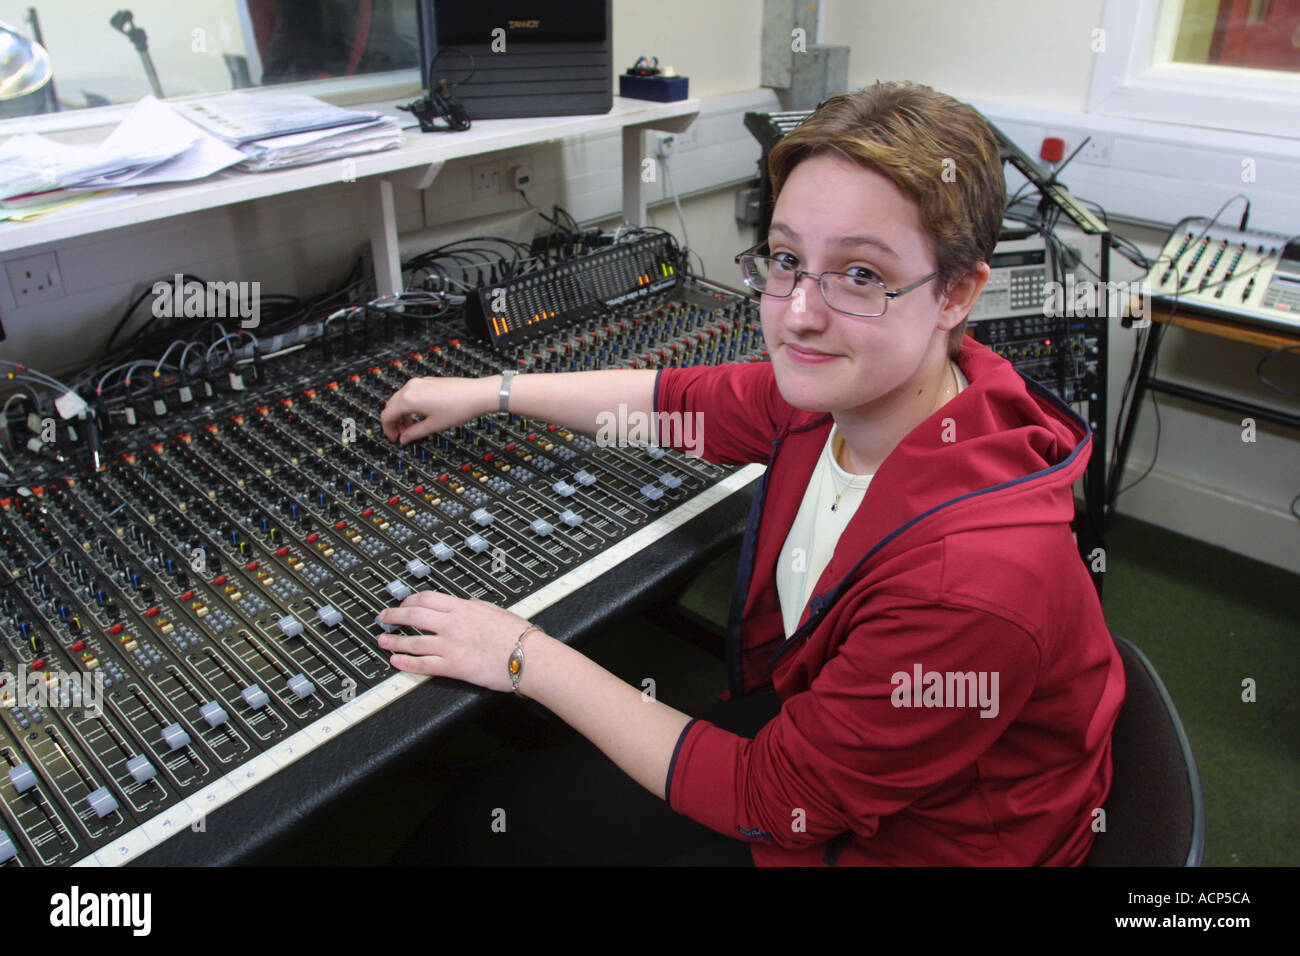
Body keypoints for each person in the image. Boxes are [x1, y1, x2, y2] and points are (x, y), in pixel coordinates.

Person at [378, 80, 1126, 866]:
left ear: (957, 293)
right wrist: (492, 392)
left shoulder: (970, 582)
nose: (797, 313)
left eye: (861, 275)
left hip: (914, 846)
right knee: (487, 817)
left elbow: (768, 801)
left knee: (475, 837)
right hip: (822, 742)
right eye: (787, 260)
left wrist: (522, 655)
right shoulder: (849, 397)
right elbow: (676, 402)